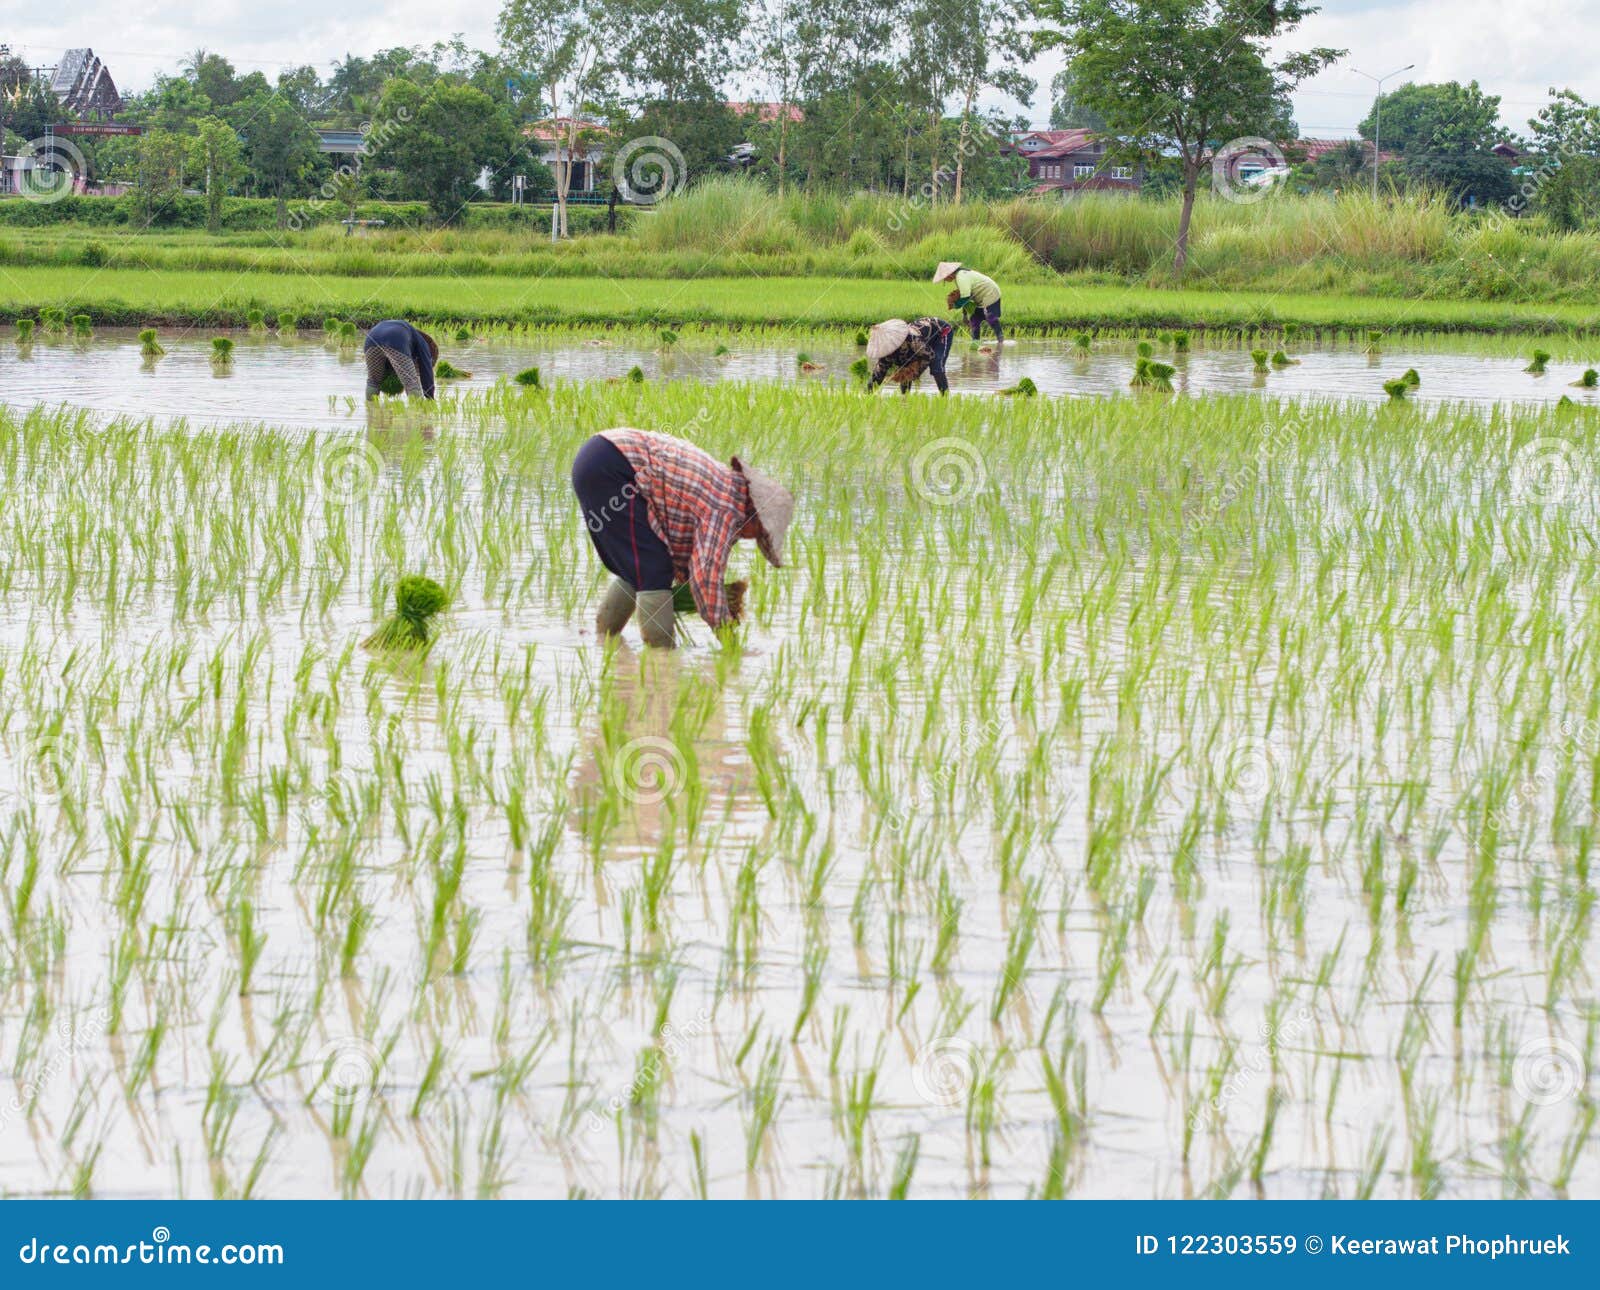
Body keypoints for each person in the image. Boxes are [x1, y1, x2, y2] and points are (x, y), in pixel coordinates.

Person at [571, 428, 794, 648]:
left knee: (640, 565)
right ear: (755, 518)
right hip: (613, 467)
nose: (749, 539)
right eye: (759, 535)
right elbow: (704, 580)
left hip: (600, 455)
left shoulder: (727, 488)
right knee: (652, 569)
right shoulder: (726, 509)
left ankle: (605, 640)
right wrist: (730, 643)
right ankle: (662, 659)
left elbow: (691, 563)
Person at [864, 317, 954, 395]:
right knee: (904, 366)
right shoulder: (886, 355)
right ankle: (904, 399)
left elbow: (929, 355)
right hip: (924, 339)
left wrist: (914, 372)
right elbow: (877, 376)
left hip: (941, 331)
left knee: (936, 366)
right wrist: (867, 394)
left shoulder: (913, 341)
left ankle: (945, 397)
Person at [363, 319, 439, 399]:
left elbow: (390, 360)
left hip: (370, 339)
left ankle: (370, 408)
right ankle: (417, 410)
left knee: (373, 381)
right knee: (411, 383)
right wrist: (430, 396)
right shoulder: (423, 343)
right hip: (396, 340)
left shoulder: (408, 334)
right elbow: (426, 370)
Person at [933, 261, 1003, 345]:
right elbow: (965, 297)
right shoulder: (959, 276)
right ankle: (975, 343)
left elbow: (965, 297)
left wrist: (955, 305)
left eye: (944, 278)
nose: (945, 280)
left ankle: (1001, 340)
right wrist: (965, 315)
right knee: (974, 319)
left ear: (949, 274)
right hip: (980, 297)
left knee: (989, 316)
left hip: (990, 292)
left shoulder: (961, 277)